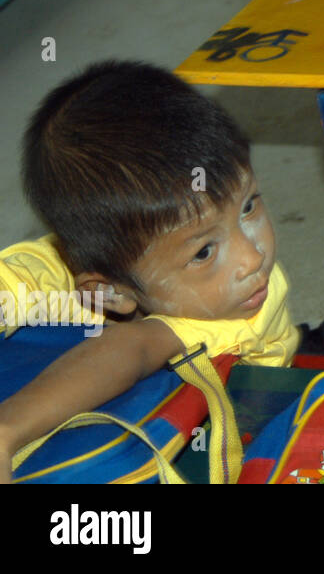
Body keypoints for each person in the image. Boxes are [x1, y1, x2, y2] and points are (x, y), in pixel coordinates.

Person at [0, 61, 298, 482]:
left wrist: (7, 431)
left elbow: (135, 347)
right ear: (107, 292)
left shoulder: (246, 312)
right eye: (205, 252)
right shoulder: (53, 268)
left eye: (248, 206)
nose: (252, 258)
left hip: (243, 435)